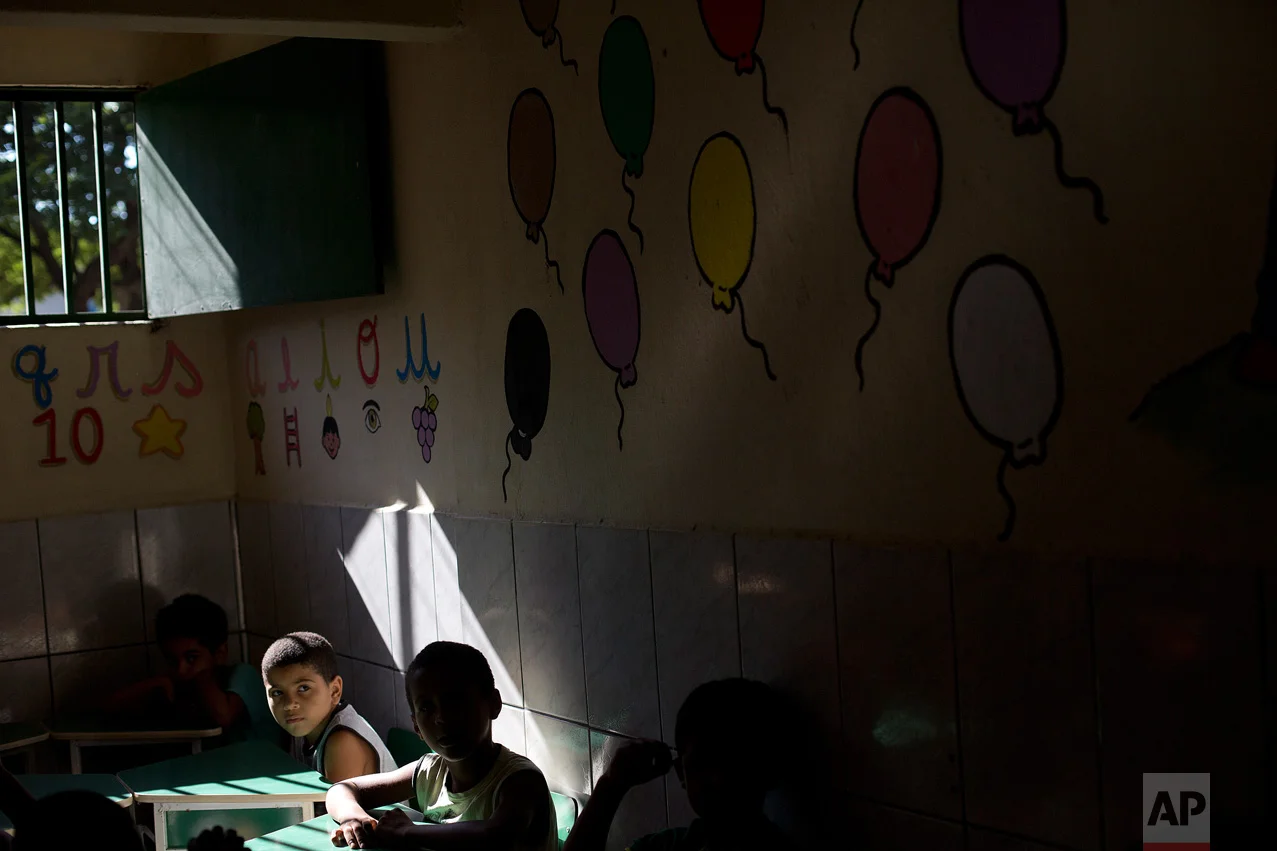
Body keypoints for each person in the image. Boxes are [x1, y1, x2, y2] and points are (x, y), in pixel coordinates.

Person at [325, 641, 556, 850]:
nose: (441, 718)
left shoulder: (520, 781)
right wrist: (353, 818)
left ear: (493, 704)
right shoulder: (429, 773)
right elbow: (341, 790)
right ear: (416, 726)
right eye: (426, 708)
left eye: (455, 700)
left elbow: (496, 837)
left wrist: (408, 832)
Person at [564, 679, 793, 851]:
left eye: (736, 761)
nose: (720, 778)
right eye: (703, 763)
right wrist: (611, 786)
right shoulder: (668, 847)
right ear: (681, 773)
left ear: (768, 769)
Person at [106, 594, 276, 745]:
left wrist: (203, 676)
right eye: (172, 660)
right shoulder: (182, 684)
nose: (181, 669)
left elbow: (223, 716)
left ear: (220, 653)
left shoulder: (243, 674)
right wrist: (158, 682)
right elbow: (110, 706)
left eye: (192, 658)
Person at [262, 631, 395, 782]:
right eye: (278, 692)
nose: (290, 704)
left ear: (334, 691)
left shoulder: (342, 742)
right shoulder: (303, 727)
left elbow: (337, 805)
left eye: (304, 688)